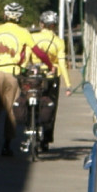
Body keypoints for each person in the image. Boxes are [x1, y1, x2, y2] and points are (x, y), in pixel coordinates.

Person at [0, 2, 51, 157]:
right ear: (19, 17)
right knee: (11, 110)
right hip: (13, 74)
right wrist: (50, 65)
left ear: (5, 15)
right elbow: (38, 52)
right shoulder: (23, 32)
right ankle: (6, 145)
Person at [30, 9, 72, 149]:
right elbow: (62, 64)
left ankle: (31, 127)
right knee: (50, 105)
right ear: (55, 26)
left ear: (41, 24)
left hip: (35, 75)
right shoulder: (59, 42)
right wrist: (68, 84)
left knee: (32, 100)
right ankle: (46, 139)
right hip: (52, 77)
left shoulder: (33, 37)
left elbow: (26, 58)